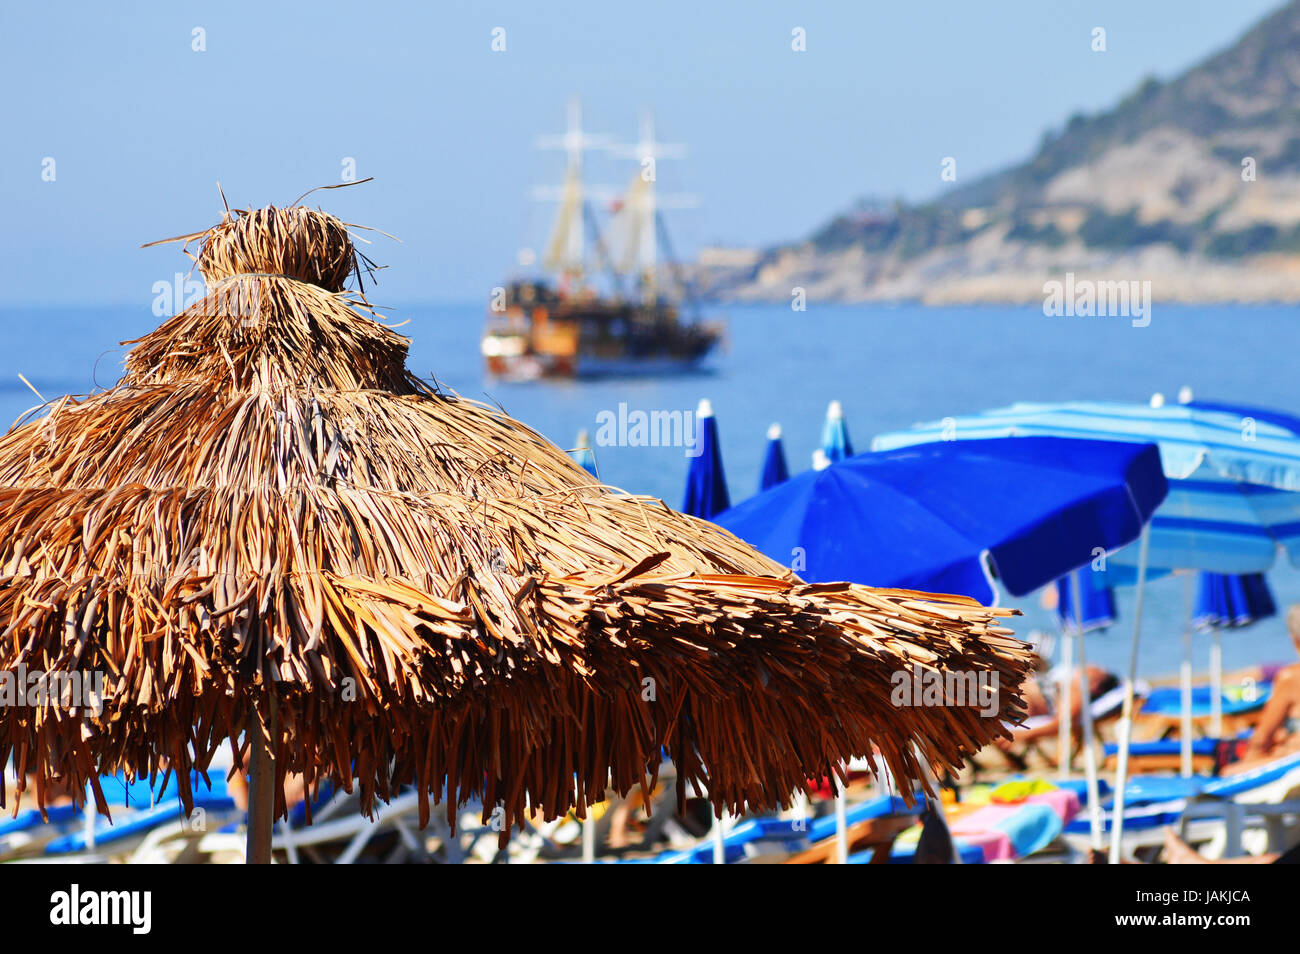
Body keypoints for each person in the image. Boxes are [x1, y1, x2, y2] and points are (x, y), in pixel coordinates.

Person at [1221, 603, 1300, 773]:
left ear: (1294, 639)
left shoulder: (1291, 677)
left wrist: (1249, 762)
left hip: (1293, 763)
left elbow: (1261, 739)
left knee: (1228, 772)